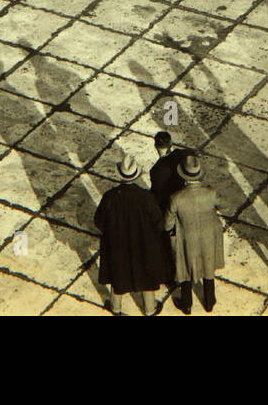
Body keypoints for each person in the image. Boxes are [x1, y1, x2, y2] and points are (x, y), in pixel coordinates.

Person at [94, 155, 170, 316]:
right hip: (144, 244)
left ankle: (115, 308)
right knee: (147, 276)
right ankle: (150, 309)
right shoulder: (146, 197)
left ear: (120, 175)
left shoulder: (110, 197)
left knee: (118, 274)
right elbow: (158, 222)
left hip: (118, 245)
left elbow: (99, 221)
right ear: (136, 175)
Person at [165, 154, 224, 314]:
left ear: (183, 176)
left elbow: (168, 223)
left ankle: (187, 304)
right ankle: (210, 302)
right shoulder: (210, 193)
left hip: (186, 238)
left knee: (184, 271)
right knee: (208, 267)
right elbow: (223, 205)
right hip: (208, 236)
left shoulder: (176, 197)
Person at [149, 130, 191, 214]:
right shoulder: (180, 154)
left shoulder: (155, 170)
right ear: (170, 144)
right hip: (182, 198)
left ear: (155, 146)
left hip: (168, 206)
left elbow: (156, 194)